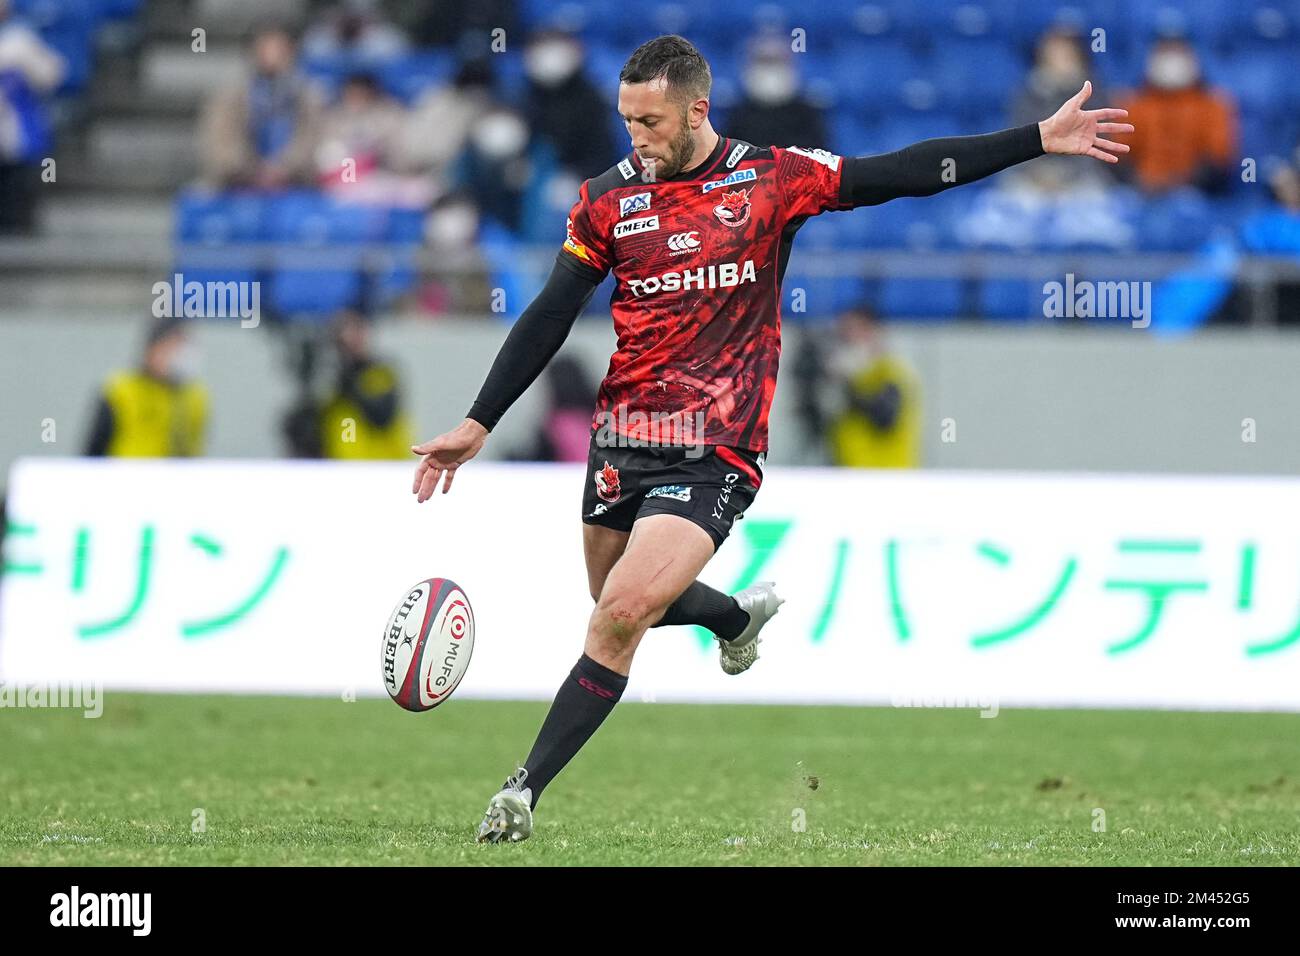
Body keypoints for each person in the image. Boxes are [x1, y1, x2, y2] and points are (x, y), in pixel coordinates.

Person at [408, 34, 1133, 843]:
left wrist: (1036, 138)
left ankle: (521, 792)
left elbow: (900, 172)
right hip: (625, 435)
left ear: (696, 110)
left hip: (718, 443)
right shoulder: (607, 200)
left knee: (620, 615)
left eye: (650, 122)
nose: (636, 138)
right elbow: (551, 311)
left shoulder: (770, 177)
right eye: (627, 121)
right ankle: (732, 620)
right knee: (613, 598)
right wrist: (479, 419)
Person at [198, 23, 324, 189]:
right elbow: (219, 138)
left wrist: (284, 168)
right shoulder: (230, 95)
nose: (272, 56)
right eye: (265, 49)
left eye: (279, 49)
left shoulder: (309, 95)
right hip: (238, 183)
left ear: (291, 52)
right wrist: (248, 170)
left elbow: (313, 137)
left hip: (296, 182)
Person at [794, 306, 921, 468]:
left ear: (875, 333)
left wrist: (847, 382)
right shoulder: (850, 380)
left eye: (855, 333)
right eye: (844, 335)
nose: (848, 341)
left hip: (888, 475)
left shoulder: (892, 372)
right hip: (849, 473)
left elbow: (884, 417)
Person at [1112, 36, 1237, 194]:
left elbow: (1218, 160)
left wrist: (1183, 183)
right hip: (1142, 192)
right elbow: (1119, 158)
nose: (1171, 62)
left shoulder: (1212, 106)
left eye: (1178, 52)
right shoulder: (1133, 105)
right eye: (1165, 52)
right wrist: (1142, 184)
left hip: (1195, 194)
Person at [85, 318, 208, 457]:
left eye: (183, 345)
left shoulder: (195, 397)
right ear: (152, 347)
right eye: (171, 345)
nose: (178, 354)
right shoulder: (119, 391)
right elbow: (93, 451)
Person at [319, 310, 414, 459]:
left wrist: (350, 380)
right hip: (348, 457)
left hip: (385, 458)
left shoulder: (381, 372)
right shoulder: (333, 376)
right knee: (344, 416)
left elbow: (382, 416)